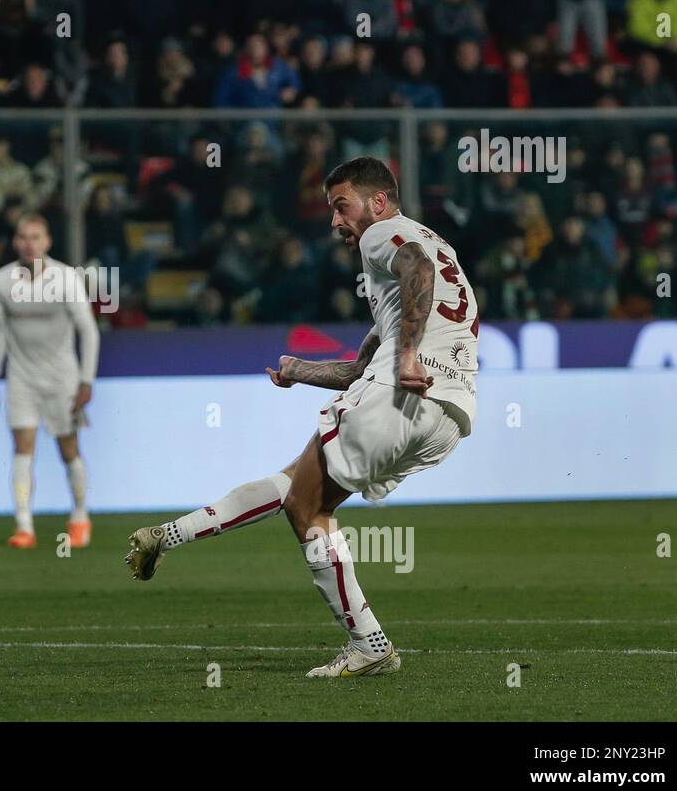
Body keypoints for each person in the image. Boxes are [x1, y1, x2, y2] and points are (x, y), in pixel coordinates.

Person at [125, 157, 477, 678]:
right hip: (449, 413)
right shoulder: (434, 247)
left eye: (342, 206)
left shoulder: (382, 236)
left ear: (378, 202)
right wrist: (301, 370)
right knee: (299, 483)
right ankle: (167, 535)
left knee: (306, 507)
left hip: (404, 387)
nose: (336, 221)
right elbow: (362, 366)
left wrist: (405, 357)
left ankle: (370, 645)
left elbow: (416, 273)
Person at [0, 215, 99, 549]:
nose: (29, 243)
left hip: (63, 379)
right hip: (21, 377)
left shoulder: (66, 278)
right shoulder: (1, 280)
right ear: (15, 242)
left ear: (47, 242)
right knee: (22, 450)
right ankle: (24, 526)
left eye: (36, 237)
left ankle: (79, 516)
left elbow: (88, 330)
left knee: (69, 450)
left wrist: (86, 380)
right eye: (23, 237)